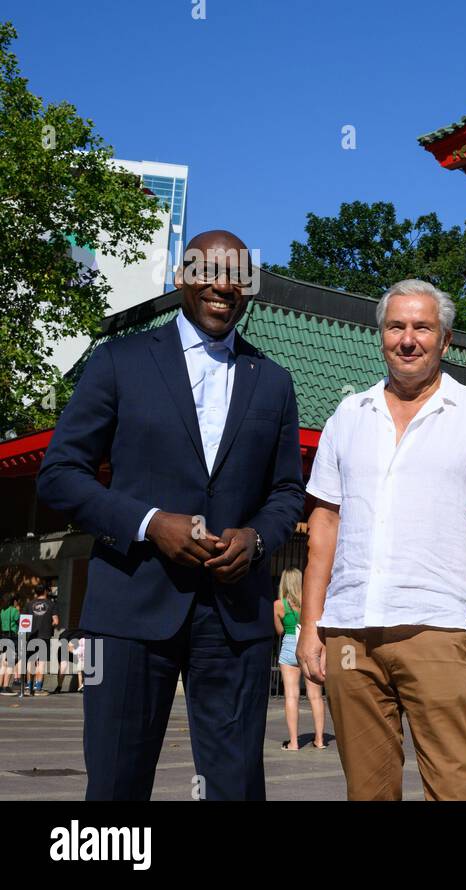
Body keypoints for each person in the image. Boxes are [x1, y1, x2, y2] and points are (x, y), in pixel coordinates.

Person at [37, 230, 305, 800]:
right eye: (209, 269)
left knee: (235, 786)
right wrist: (149, 521)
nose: (224, 284)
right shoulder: (119, 361)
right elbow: (60, 473)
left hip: (234, 619)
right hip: (131, 605)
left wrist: (256, 539)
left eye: (238, 274)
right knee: (115, 784)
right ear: (182, 276)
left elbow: (287, 492)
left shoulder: (275, 383)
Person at [297, 279, 466, 801]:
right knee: (367, 789)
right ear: (380, 337)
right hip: (350, 631)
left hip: (436, 628)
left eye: (422, 327)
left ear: (445, 341)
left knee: (454, 786)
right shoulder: (347, 416)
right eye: (396, 326)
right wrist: (312, 626)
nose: (408, 338)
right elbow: (323, 530)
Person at [274, 568, 325, 750]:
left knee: (291, 696)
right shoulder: (310, 603)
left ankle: (294, 743)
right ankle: (319, 740)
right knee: (315, 696)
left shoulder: (279, 605)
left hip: (289, 646)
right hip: (309, 645)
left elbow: (279, 630)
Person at [25, 585, 58, 695]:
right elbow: (56, 622)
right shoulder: (51, 604)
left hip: (31, 636)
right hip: (45, 635)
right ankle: (37, 686)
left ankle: (28, 685)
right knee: (41, 662)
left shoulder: (29, 604)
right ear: (45, 591)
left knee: (31, 661)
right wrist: (49, 624)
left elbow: (25, 621)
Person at [0, 594, 19, 695]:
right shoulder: (14, 611)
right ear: (13, 601)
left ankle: (0, 685)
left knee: (3, 662)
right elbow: (20, 622)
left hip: (3, 636)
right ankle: (6, 686)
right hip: (12, 637)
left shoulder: (2, 611)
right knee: (11, 662)